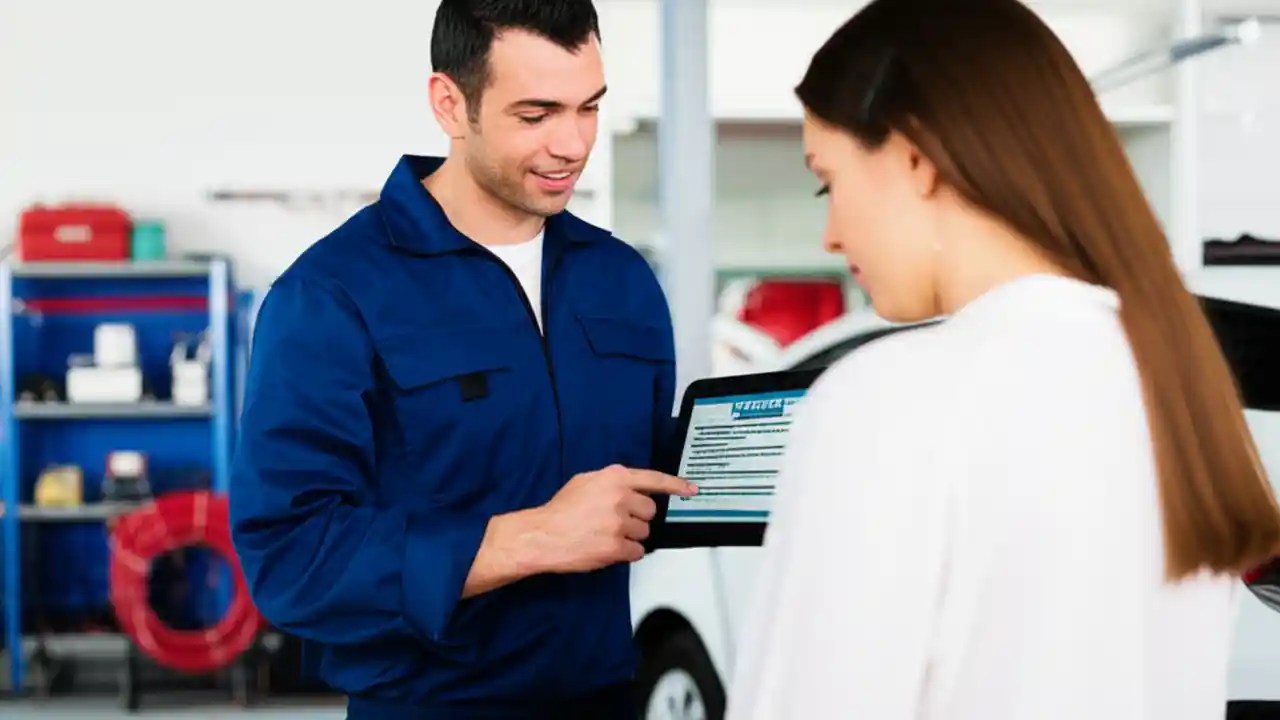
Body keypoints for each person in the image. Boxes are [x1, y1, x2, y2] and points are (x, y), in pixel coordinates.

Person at [726, 0, 1280, 718]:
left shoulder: (889, 397)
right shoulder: (1187, 394)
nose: (830, 234)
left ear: (915, 157)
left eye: (828, 181)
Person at [228, 1, 695, 717]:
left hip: (604, 698)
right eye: (536, 115)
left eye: (589, 108)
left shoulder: (622, 281)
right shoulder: (334, 294)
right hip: (428, 705)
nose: (572, 144)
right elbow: (291, 555)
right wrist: (534, 537)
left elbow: (630, 482)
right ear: (450, 103)